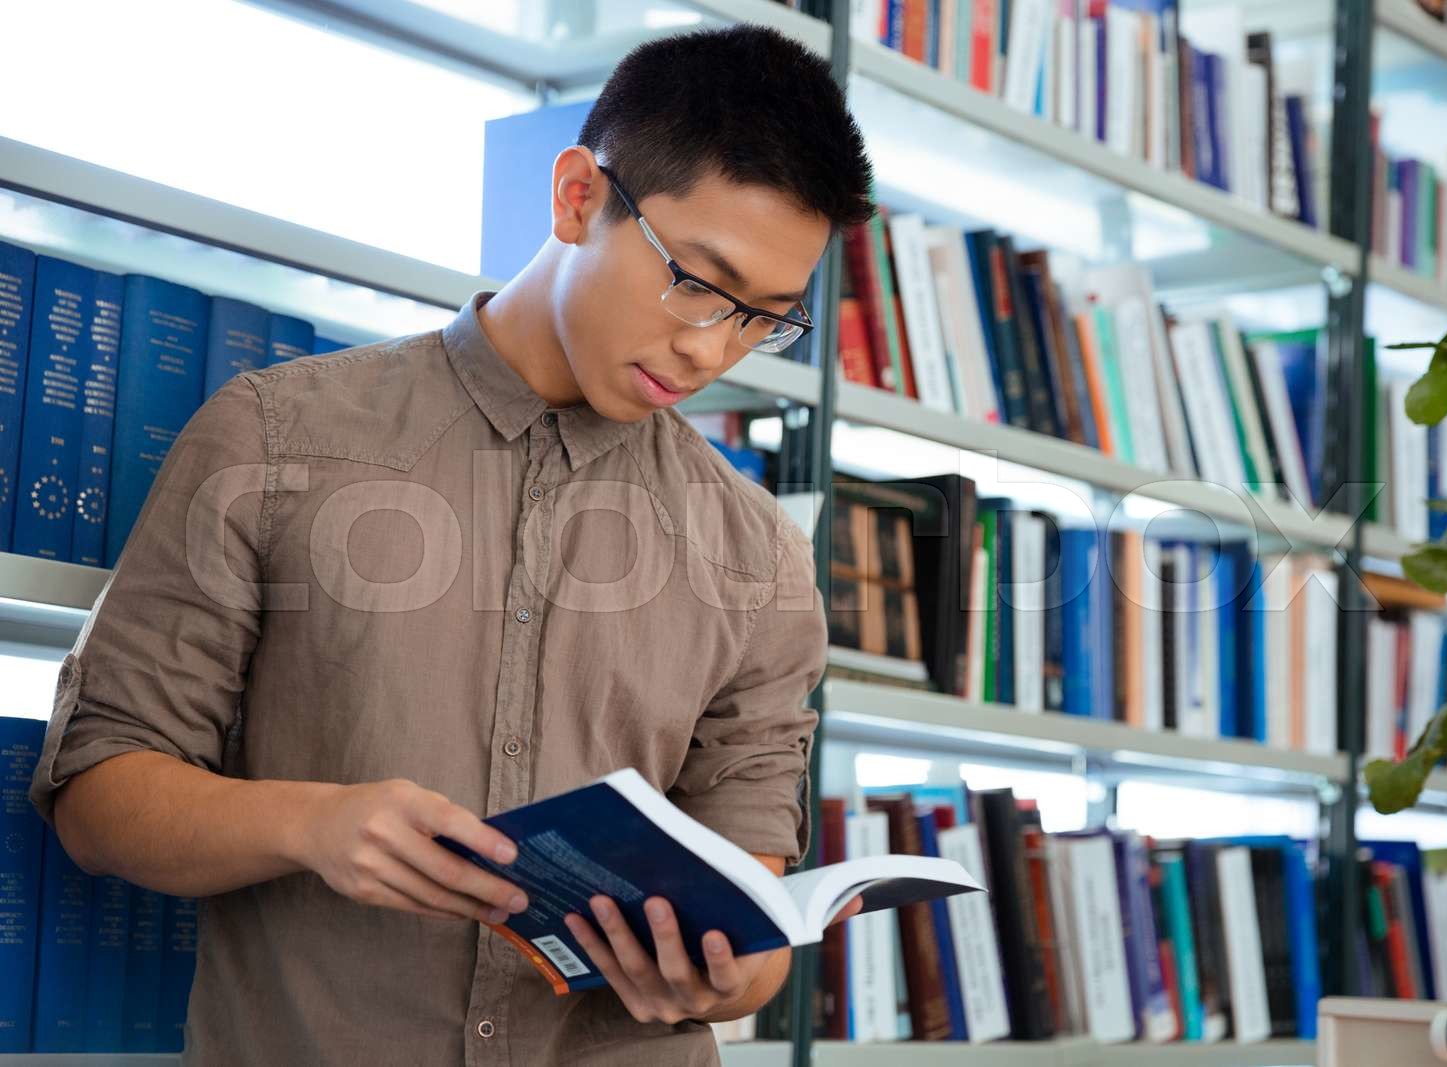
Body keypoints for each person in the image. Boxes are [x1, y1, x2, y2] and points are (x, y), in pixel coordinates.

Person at [31, 23, 874, 1067]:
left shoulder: (758, 555)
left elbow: (751, 896)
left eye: (762, 318)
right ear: (577, 197)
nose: (710, 347)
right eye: (694, 281)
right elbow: (98, 797)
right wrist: (312, 824)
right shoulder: (272, 438)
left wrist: (725, 968)